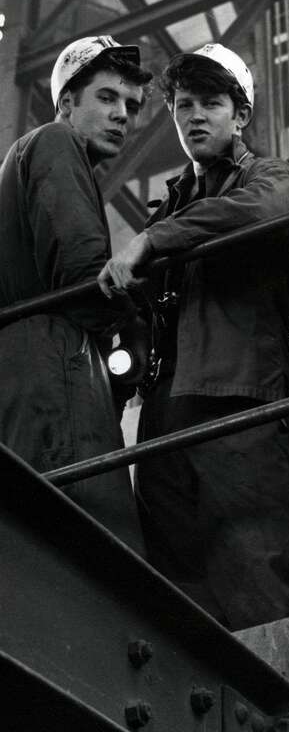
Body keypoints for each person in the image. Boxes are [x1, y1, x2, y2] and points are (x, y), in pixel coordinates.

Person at [97, 43, 289, 630]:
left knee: (259, 566)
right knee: (176, 585)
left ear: (239, 116)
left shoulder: (267, 176)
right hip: (167, 413)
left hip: (240, 397)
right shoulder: (172, 200)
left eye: (211, 104)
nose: (194, 116)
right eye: (183, 104)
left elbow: (268, 208)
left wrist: (154, 239)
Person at [0, 35, 151, 552]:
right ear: (67, 102)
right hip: (54, 361)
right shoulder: (54, 143)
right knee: (90, 543)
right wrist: (136, 321)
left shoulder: (29, 158)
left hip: (28, 366)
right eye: (106, 98)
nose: (121, 116)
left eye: (129, 106)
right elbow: (84, 271)